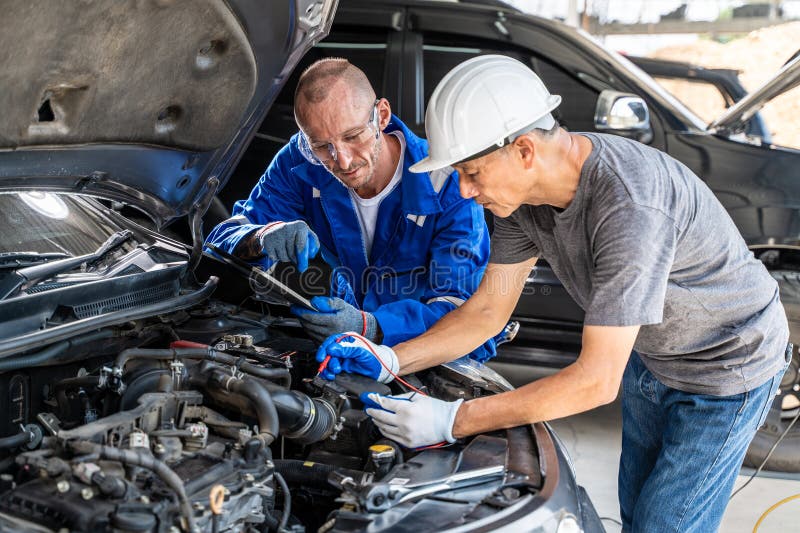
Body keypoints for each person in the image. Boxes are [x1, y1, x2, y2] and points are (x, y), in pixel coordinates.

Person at [315, 55, 791, 532]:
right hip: (654, 353)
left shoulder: (628, 206)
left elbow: (595, 381)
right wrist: (393, 359)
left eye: (473, 173)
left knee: (664, 525)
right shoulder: (523, 203)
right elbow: (487, 311)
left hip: (727, 364)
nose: (462, 189)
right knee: (636, 511)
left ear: (524, 150)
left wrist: (454, 420)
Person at [205, 58, 496, 361]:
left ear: (381, 116)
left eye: (353, 136)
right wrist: (262, 235)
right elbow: (222, 240)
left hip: (417, 365)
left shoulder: (447, 185)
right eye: (321, 146)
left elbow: (465, 315)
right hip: (329, 360)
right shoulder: (300, 161)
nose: (342, 161)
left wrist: (371, 327)